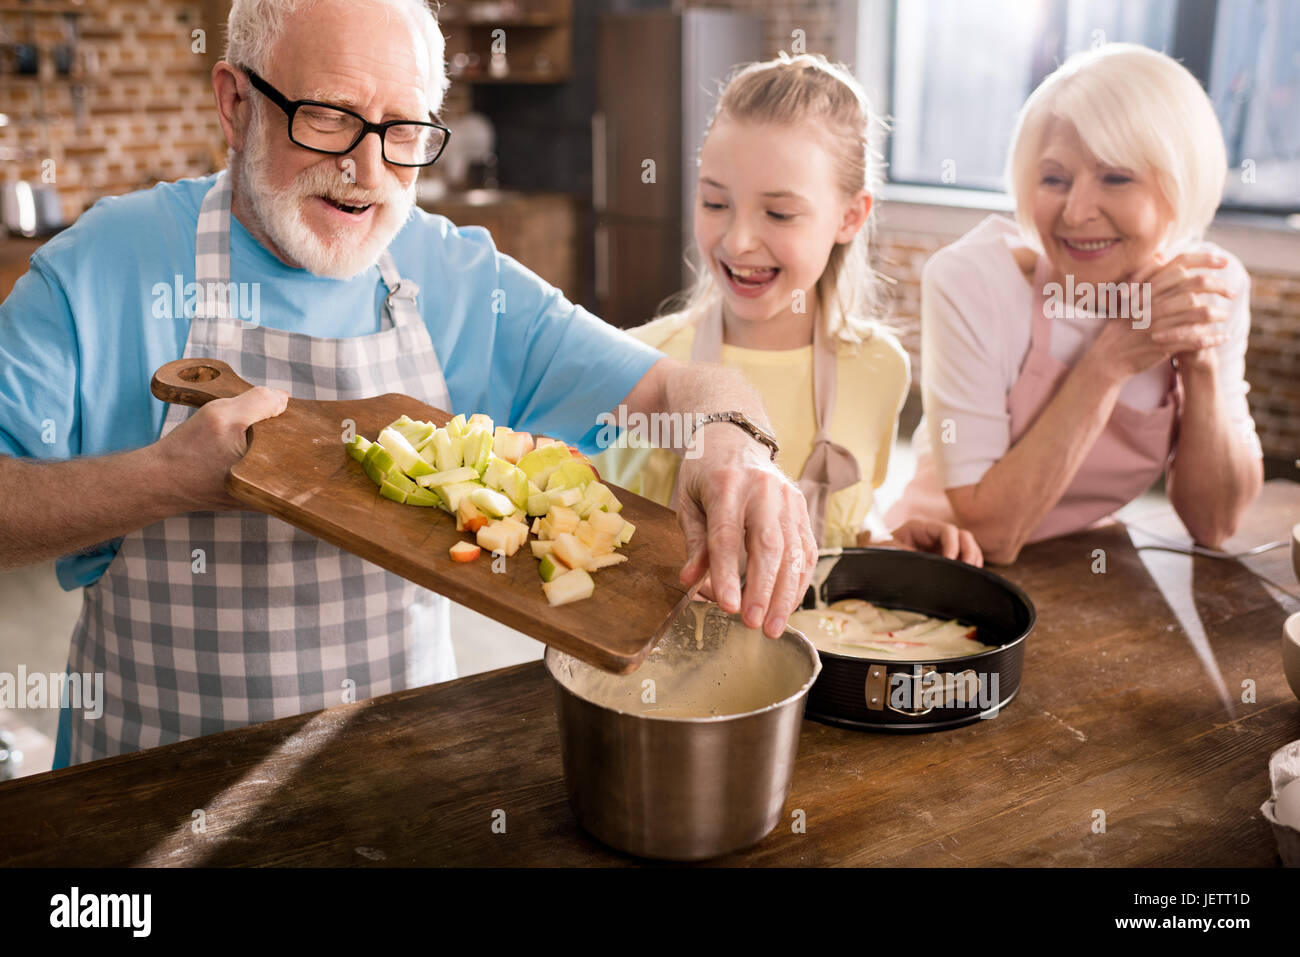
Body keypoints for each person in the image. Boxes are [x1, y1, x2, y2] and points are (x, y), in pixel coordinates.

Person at [0, 0, 816, 767]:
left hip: (399, 781)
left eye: (403, 130)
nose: (366, 169)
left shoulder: (457, 277)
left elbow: (688, 388)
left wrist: (735, 449)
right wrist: (161, 482)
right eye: (328, 116)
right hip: (145, 782)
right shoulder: (104, 265)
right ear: (235, 102)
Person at [594, 53, 981, 565]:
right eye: (715, 203)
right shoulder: (641, 361)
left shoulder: (879, 367)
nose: (738, 240)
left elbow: (844, 521)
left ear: (849, 216)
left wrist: (885, 543)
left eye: (778, 213)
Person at [886, 44, 1263, 563]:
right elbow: (992, 534)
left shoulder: (1209, 287)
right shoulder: (973, 281)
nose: (1076, 211)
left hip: (1085, 561)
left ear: (1181, 182)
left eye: (1115, 177)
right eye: (1054, 180)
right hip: (946, 566)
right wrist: (1110, 361)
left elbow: (1215, 524)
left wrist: (1198, 365)